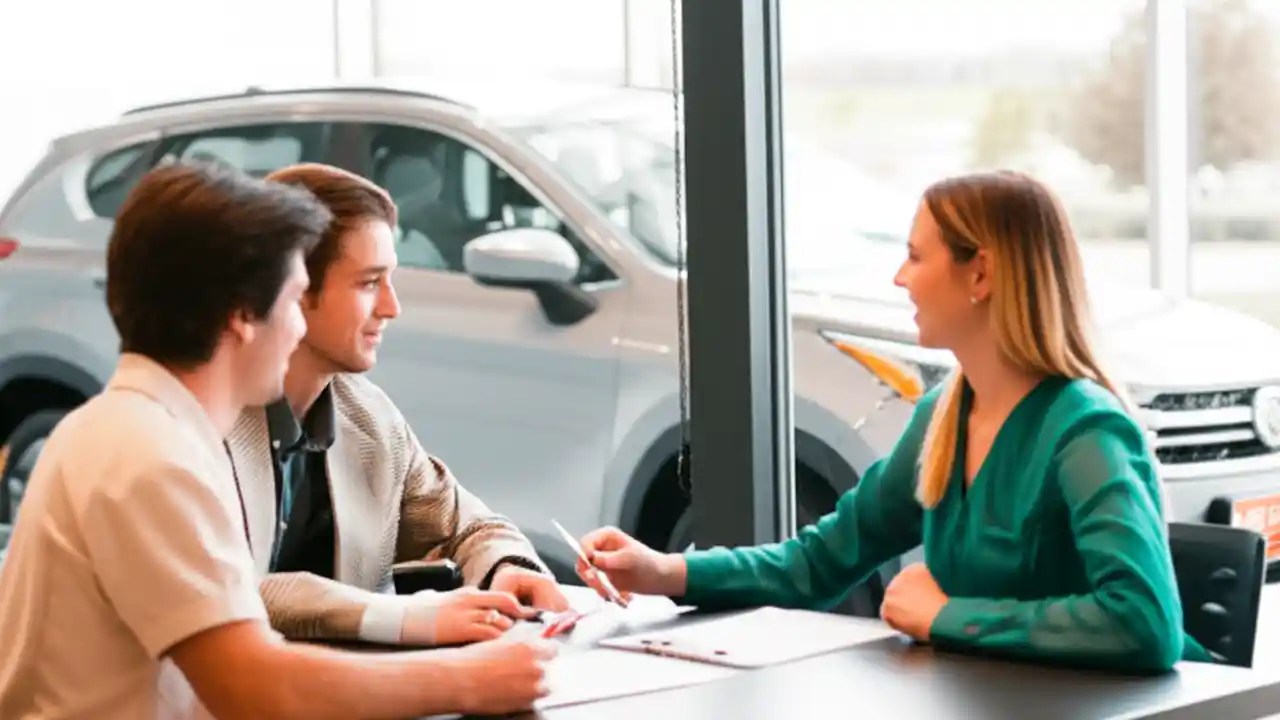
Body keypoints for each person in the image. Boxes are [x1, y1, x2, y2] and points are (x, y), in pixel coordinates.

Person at [574, 171, 1210, 673]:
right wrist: (665, 572)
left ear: (980, 273)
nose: (899, 277)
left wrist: (945, 615)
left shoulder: (1086, 431)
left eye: (915, 256)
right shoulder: (943, 418)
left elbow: (1142, 624)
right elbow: (816, 564)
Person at [0, 162, 554, 719]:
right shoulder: (149, 456)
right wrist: (466, 679)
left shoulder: (131, 431)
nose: (294, 332)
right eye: (291, 300)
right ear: (244, 314)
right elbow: (256, 687)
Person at [223, 162, 569, 649]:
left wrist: (506, 566)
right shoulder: (201, 424)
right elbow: (222, 593)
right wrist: (402, 616)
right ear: (294, 290)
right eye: (369, 283)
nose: (391, 306)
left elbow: (466, 526)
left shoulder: (368, 416)